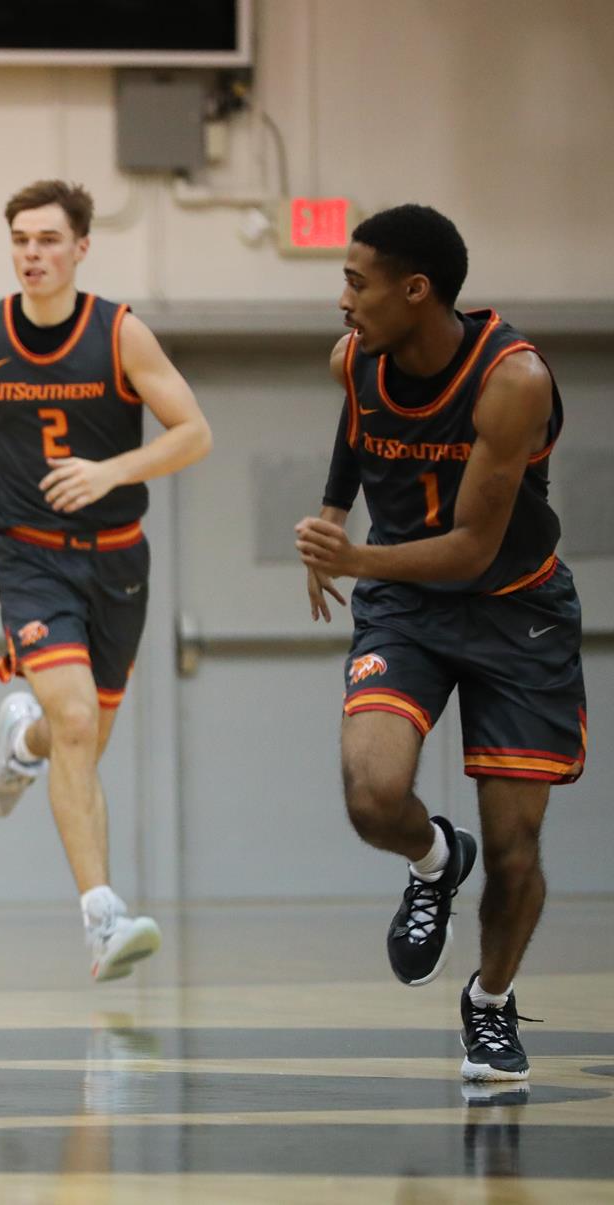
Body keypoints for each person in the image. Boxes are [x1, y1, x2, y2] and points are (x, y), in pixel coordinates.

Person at [296, 204, 582, 1082]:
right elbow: (356, 420)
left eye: (357, 282)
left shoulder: (512, 379)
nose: (343, 300)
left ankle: (490, 1003)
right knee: (372, 795)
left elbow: (471, 549)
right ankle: (434, 858)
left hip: (515, 609)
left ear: (416, 290)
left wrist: (353, 555)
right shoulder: (354, 357)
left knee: (515, 852)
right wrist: (334, 511)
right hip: (407, 607)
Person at [0, 180, 211, 981]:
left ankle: (20, 742)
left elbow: (193, 432)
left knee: (79, 737)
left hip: (117, 557)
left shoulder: (121, 334)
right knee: (75, 719)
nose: (32, 253)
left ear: (81, 247)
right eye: (20, 240)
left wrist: (112, 470)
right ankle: (103, 917)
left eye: (47, 239)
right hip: (31, 556)